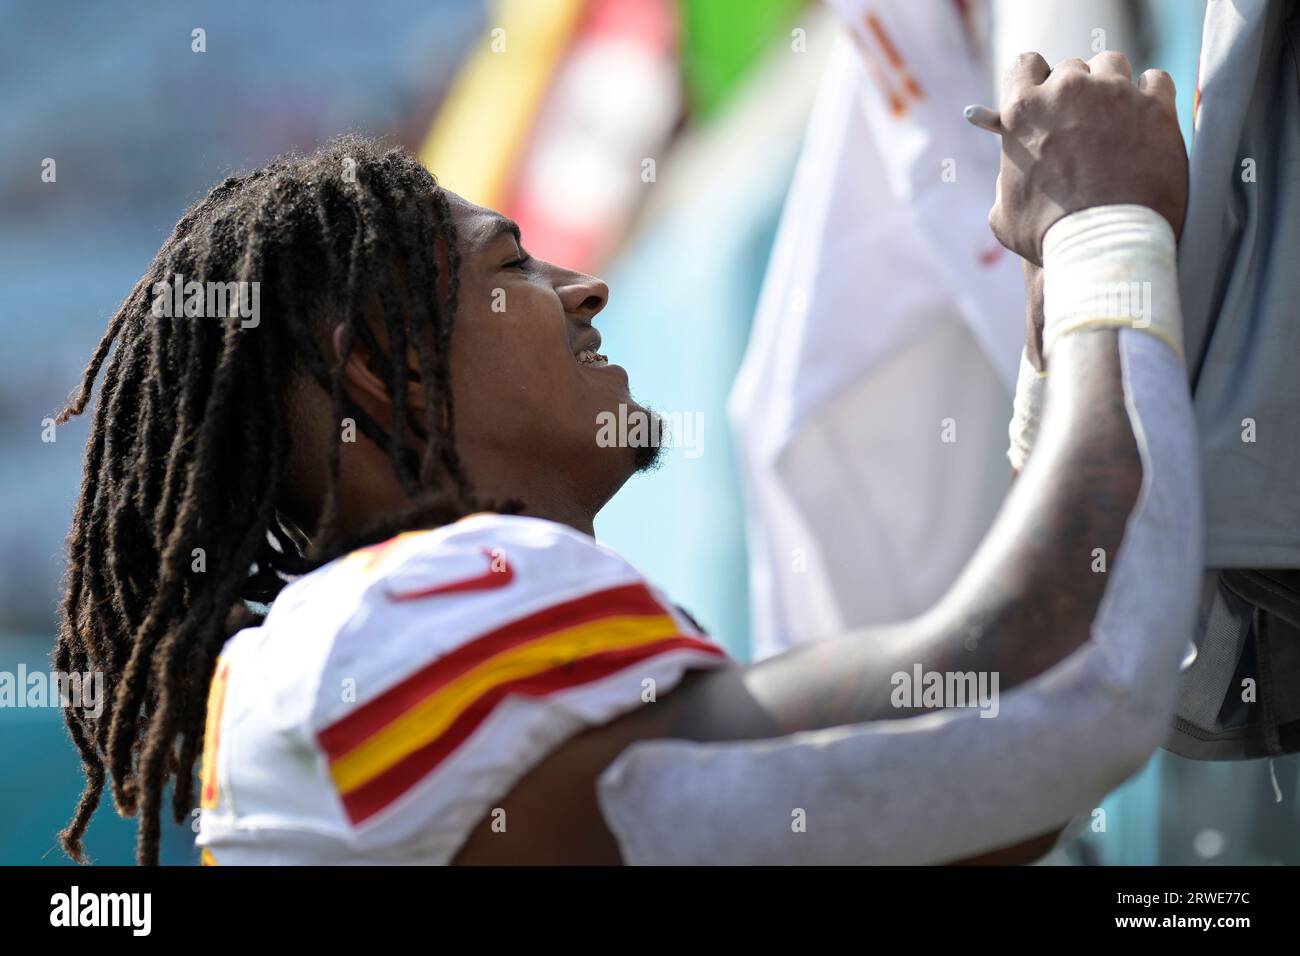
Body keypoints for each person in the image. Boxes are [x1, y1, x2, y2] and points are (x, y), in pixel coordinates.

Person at [56, 51, 1200, 865]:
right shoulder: (395, 616)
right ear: (377, 370)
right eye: (511, 270)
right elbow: (1048, 697)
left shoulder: (349, 650)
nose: (582, 286)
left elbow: (976, 797)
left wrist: (1059, 346)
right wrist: (1101, 231)